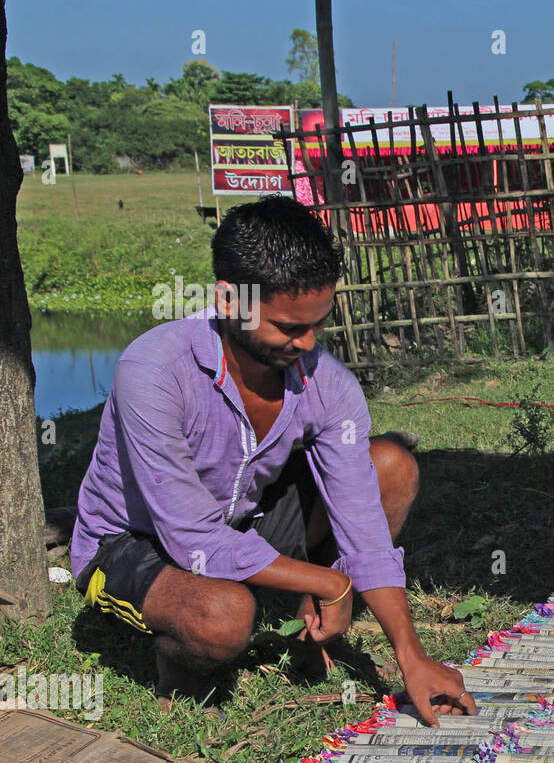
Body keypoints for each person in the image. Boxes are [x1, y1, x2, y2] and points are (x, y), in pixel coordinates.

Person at [70, 196, 475, 725]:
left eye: (317, 324)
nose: (306, 343)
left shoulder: (327, 381)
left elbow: (363, 525)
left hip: (244, 516)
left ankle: (316, 620)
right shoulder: (152, 369)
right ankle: (180, 668)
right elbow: (192, 537)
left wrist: (412, 657)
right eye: (288, 327)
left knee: (391, 466)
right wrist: (328, 580)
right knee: (221, 618)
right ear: (229, 299)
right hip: (135, 542)